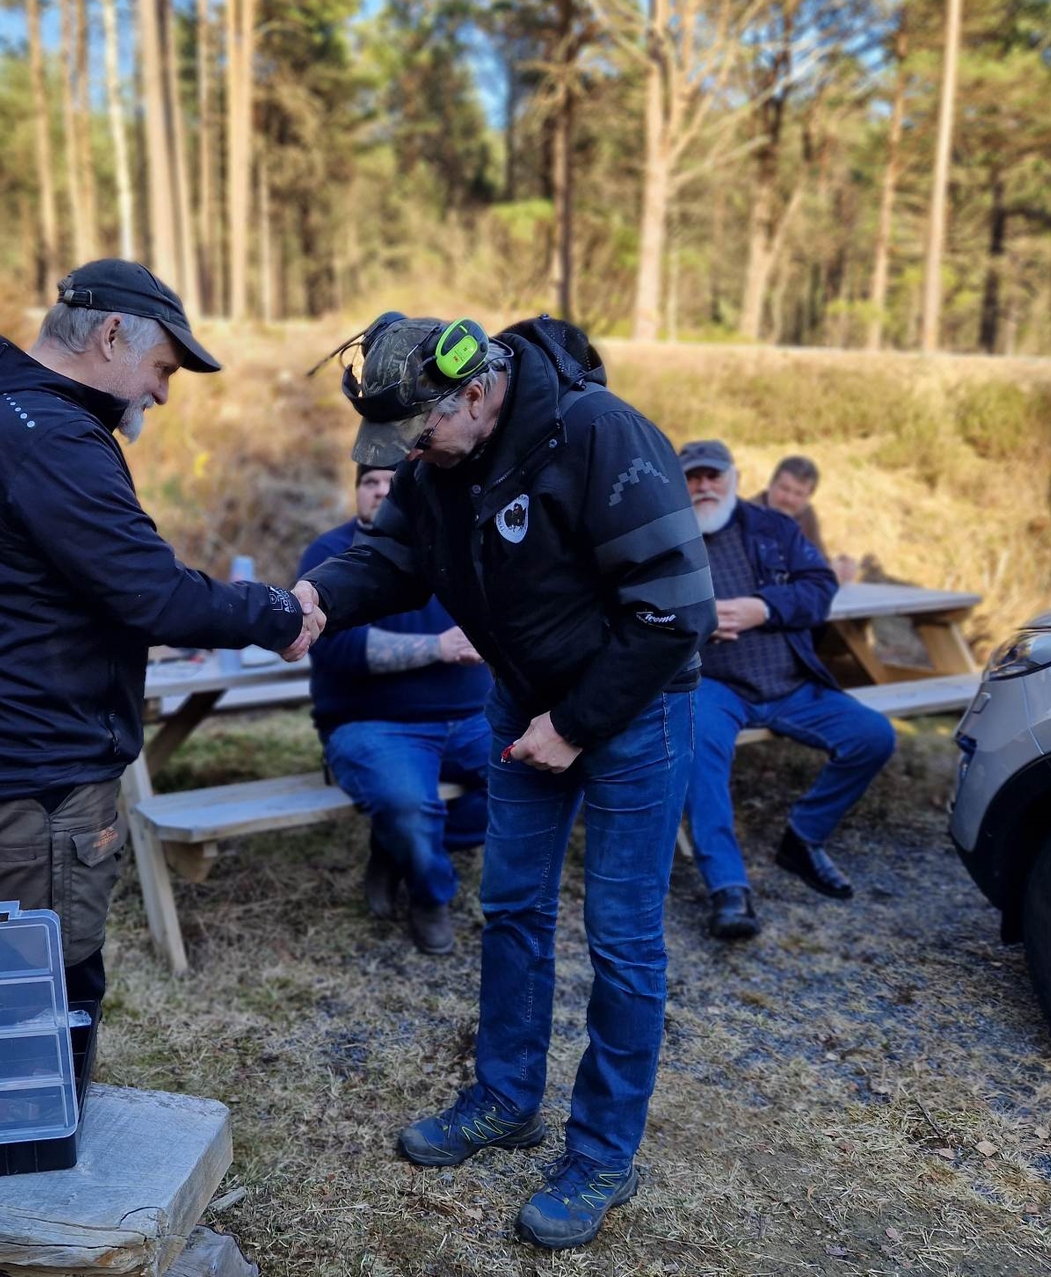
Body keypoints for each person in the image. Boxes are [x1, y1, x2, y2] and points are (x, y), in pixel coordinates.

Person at [298, 313, 713, 1251]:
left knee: (622, 937)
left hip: (633, 710)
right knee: (514, 907)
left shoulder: (599, 433)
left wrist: (572, 727)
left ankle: (603, 1153)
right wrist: (325, 595)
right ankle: (506, 1097)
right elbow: (393, 559)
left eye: (421, 435)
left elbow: (675, 611)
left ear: (476, 393)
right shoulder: (437, 463)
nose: (414, 457)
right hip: (521, 703)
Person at [0, 260, 322, 1005]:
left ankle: (29, 1107)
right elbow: (154, 594)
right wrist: (278, 613)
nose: (163, 391)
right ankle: (37, 1122)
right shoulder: (50, 438)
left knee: (29, 973)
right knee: (52, 992)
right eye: (162, 367)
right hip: (38, 768)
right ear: (109, 335)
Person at [678, 440, 896, 942]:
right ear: (680, 481)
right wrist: (693, 622)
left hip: (791, 681)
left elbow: (820, 589)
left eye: (714, 476)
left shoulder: (772, 528)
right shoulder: (664, 534)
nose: (704, 487)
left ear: (733, 477)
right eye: (694, 478)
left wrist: (764, 607)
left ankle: (803, 837)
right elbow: (635, 607)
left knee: (873, 735)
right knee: (696, 750)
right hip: (714, 683)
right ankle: (727, 887)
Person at [298, 453, 493, 957]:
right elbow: (334, 647)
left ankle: (400, 850)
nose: (382, 491)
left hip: (474, 720)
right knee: (408, 808)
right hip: (375, 727)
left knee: (552, 774)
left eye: (394, 482)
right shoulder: (330, 554)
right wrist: (437, 648)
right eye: (371, 482)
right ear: (357, 492)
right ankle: (429, 895)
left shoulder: (455, 544)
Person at [752, 454, 858, 584]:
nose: (789, 499)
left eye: (799, 494)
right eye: (784, 489)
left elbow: (817, 559)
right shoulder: (749, 515)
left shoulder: (806, 514)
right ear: (770, 485)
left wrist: (840, 567)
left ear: (809, 497)